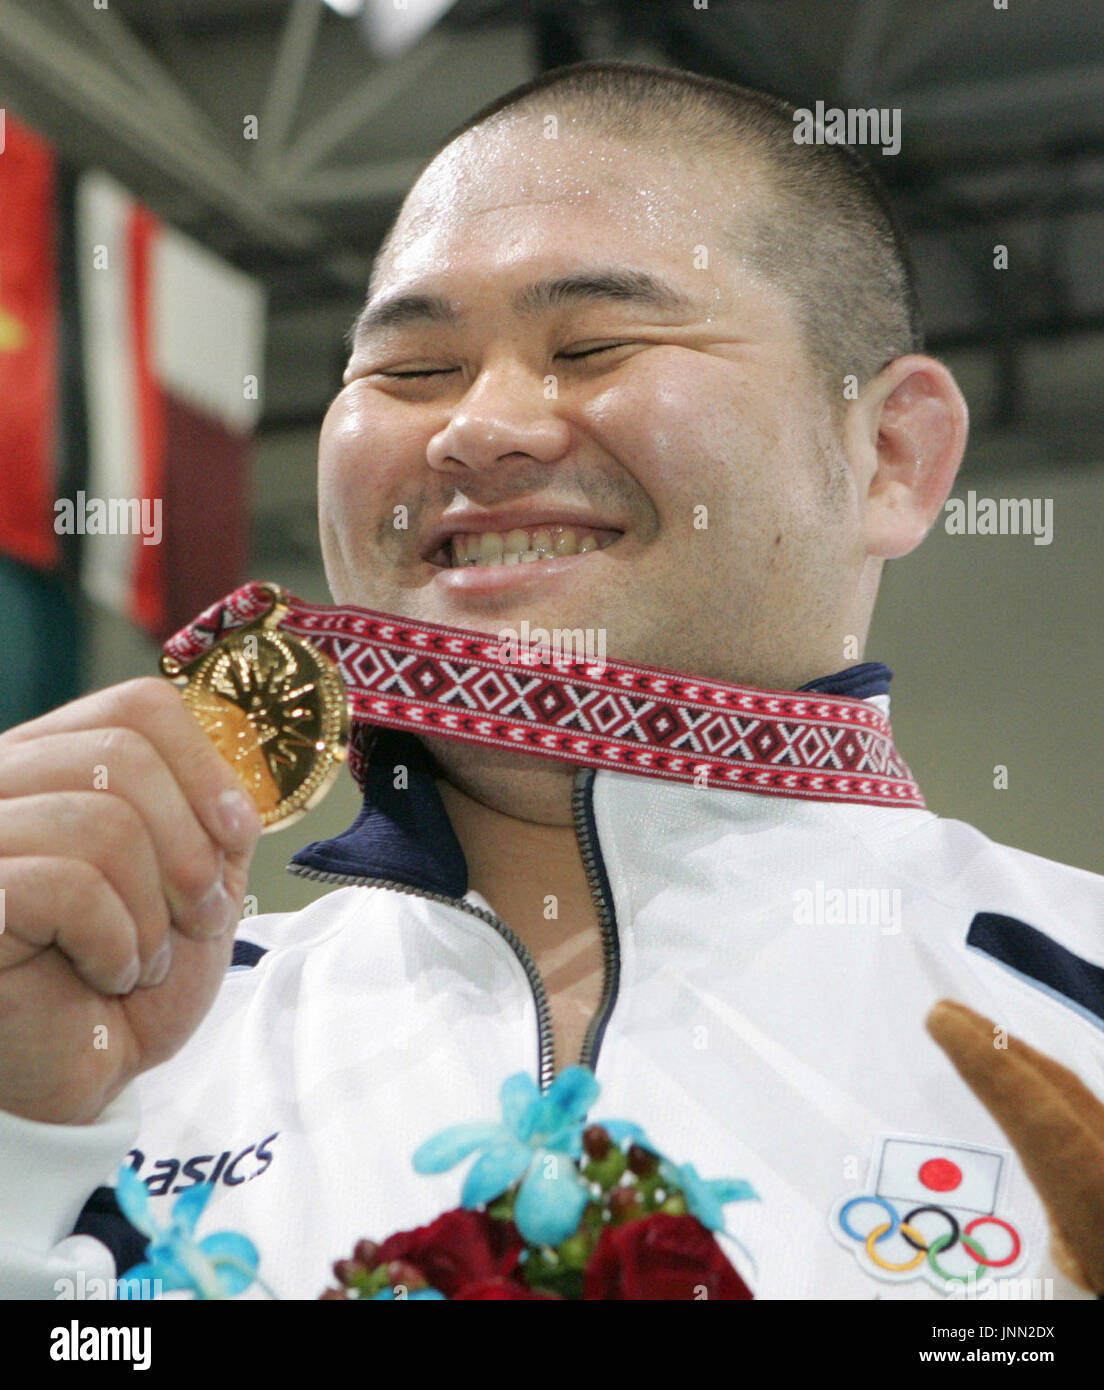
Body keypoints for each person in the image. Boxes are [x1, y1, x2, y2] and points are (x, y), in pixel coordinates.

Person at [1, 61, 1101, 1302]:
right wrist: (18, 1146)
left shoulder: (1081, 1005)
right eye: (411, 371)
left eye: (592, 345)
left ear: (892, 455)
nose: (479, 428)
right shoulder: (98, 1044)